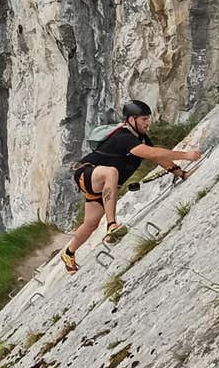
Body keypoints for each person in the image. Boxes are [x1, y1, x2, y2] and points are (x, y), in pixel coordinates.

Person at [61, 100, 203, 274]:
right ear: (131, 119)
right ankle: (112, 225)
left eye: (148, 119)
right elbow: (152, 153)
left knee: (90, 224)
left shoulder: (140, 138)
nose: (147, 122)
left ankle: (69, 253)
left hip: (100, 184)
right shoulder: (124, 137)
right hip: (86, 174)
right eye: (143, 119)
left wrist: (181, 174)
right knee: (111, 172)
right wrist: (186, 155)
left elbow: (158, 157)